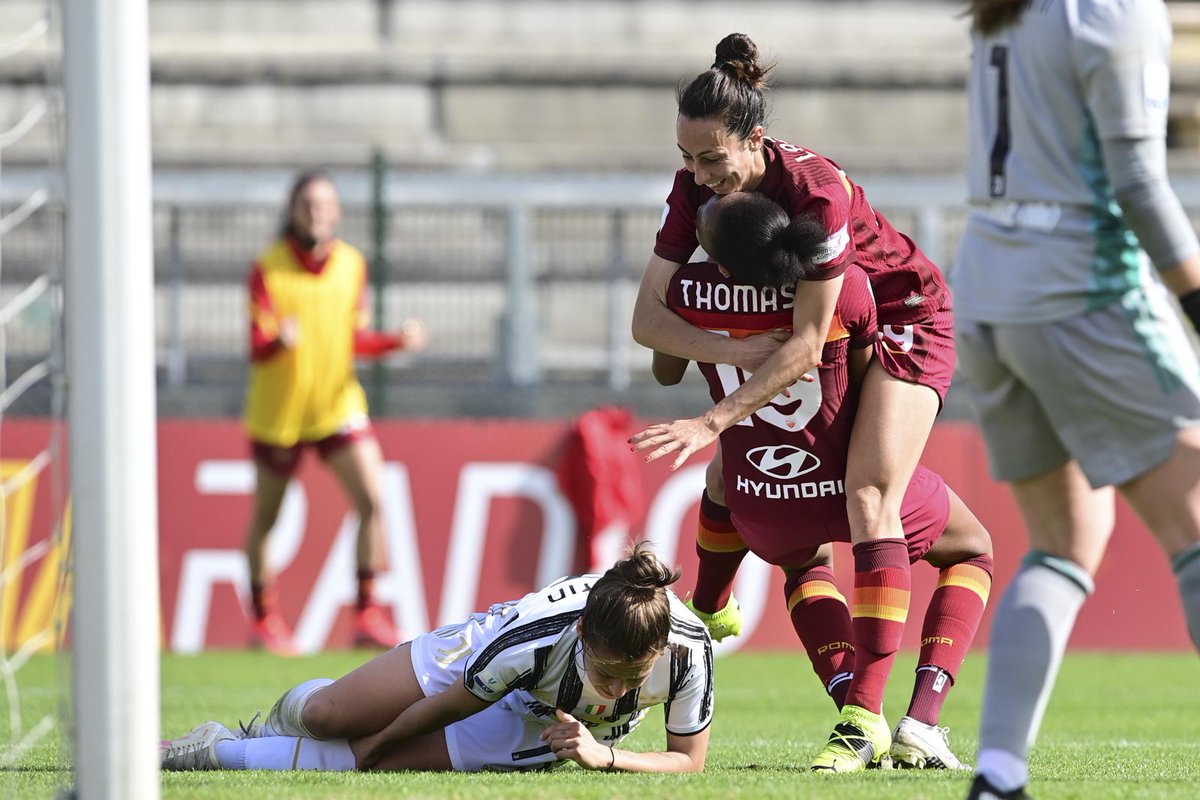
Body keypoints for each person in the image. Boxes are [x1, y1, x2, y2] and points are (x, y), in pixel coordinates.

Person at [630, 30, 956, 772]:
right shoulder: (694, 193)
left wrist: (715, 413)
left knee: (869, 491)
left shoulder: (817, 190)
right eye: (685, 158)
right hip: (815, 332)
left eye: (711, 158)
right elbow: (647, 321)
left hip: (902, 320)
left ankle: (865, 718)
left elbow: (808, 342)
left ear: (756, 141)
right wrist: (739, 352)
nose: (697, 176)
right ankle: (712, 609)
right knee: (741, 471)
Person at [955, 3, 1200, 798]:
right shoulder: (1112, 8)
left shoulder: (1009, 8)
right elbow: (1136, 181)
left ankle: (998, 774)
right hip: (1077, 292)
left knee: (1063, 540)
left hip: (989, 289)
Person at [160, 542, 713, 774]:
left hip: (546, 720)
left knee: (370, 761)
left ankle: (213, 750)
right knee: (329, 719)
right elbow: (452, 703)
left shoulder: (690, 655)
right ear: (583, 631)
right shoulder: (532, 638)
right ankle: (280, 723)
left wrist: (606, 756)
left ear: (660, 651)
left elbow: (689, 761)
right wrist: (378, 739)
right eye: (605, 673)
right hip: (490, 659)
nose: (616, 692)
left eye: (632, 678)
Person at [242, 169, 428, 654]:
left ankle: (366, 613)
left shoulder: (351, 264)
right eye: (307, 205)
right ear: (293, 211)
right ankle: (265, 622)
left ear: (337, 212)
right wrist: (275, 341)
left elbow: (353, 337)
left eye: (324, 205)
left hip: (336, 404)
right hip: (280, 412)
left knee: (372, 499)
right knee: (267, 518)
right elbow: (256, 342)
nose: (316, 213)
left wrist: (395, 342)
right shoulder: (269, 267)